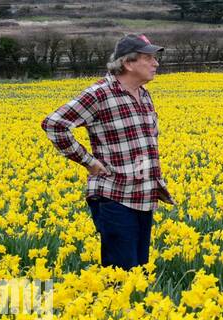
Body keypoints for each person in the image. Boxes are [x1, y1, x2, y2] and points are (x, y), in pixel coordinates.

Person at [41, 34, 175, 270]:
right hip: (114, 196)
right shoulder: (100, 94)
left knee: (138, 271)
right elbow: (54, 124)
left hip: (143, 196)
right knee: (121, 273)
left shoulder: (143, 94)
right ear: (128, 63)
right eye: (149, 58)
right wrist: (88, 162)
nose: (156, 63)